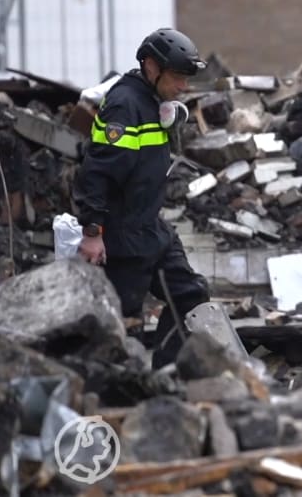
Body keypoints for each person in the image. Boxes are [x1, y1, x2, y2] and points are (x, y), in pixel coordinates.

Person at [73, 27, 211, 368]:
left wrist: (171, 118)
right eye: (178, 77)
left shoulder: (152, 101)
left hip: (150, 227)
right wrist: (93, 231)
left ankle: (165, 372)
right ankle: (119, 394)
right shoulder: (124, 105)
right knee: (125, 325)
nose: (183, 87)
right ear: (151, 66)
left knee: (191, 297)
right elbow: (97, 171)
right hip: (123, 233)